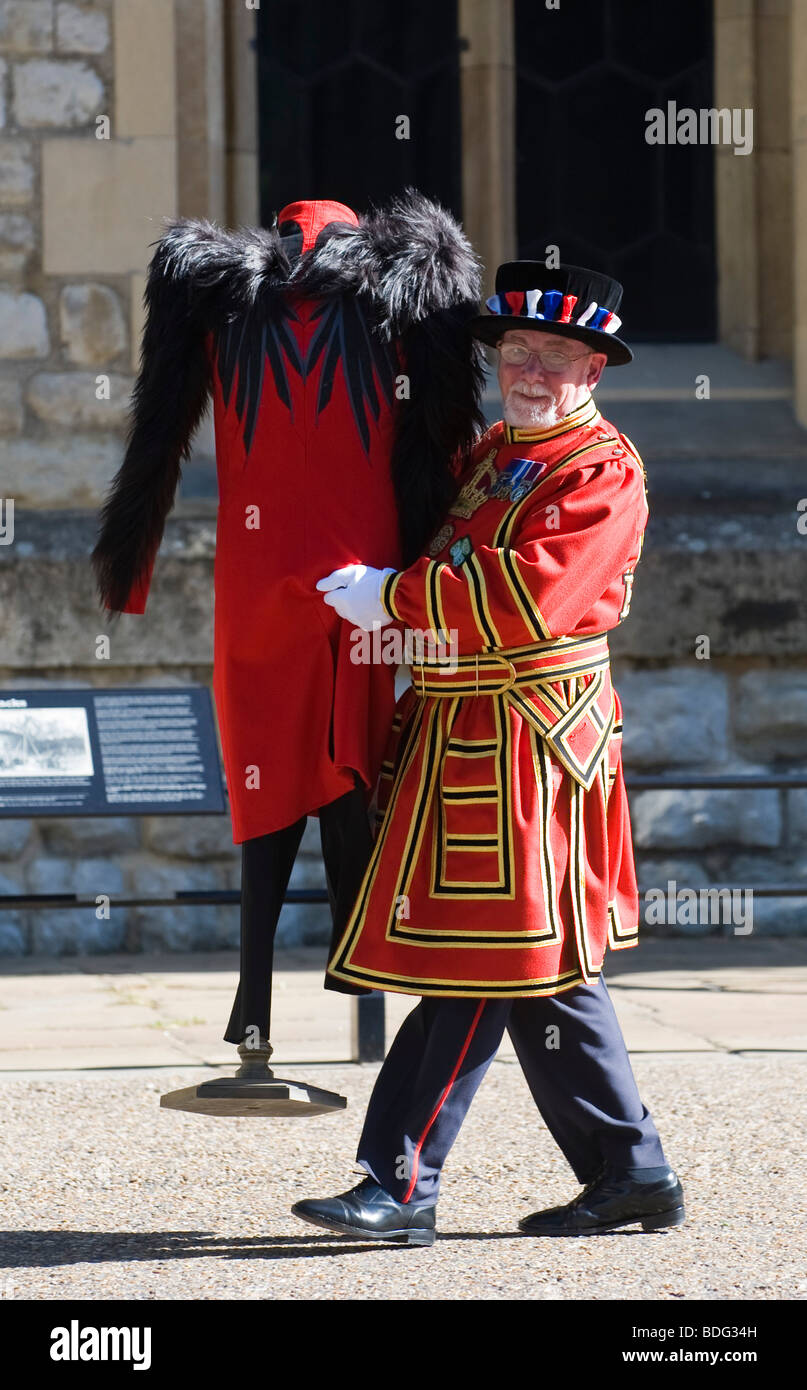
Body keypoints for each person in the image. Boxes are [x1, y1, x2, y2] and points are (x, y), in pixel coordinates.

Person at [294, 260, 684, 1242]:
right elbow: (445, 561)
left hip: (530, 745)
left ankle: (398, 1184)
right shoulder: (491, 453)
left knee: (483, 959)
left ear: (595, 366)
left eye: (556, 353)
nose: (532, 367)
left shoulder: (602, 469)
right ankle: (630, 1171)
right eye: (516, 349)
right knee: (549, 970)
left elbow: (528, 598)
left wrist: (393, 598)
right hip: (462, 731)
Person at [91, 191, 484, 1049]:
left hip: (266, 569)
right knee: (351, 759)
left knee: (272, 764)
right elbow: (442, 433)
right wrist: (439, 566)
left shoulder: (219, 300)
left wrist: (131, 561)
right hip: (365, 570)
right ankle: (358, 967)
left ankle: (256, 997)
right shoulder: (400, 294)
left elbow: (157, 434)